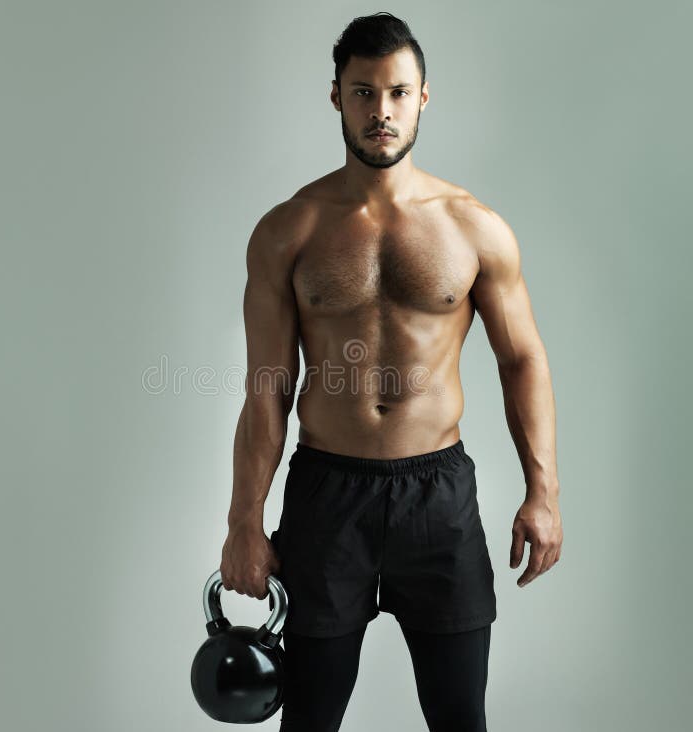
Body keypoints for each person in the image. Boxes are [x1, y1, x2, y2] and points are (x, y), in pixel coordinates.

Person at [220, 12, 563, 732]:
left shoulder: (474, 226)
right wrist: (243, 522)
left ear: (423, 98)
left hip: (436, 496)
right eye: (364, 92)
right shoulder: (290, 230)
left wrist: (544, 492)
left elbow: (522, 358)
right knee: (308, 718)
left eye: (398, 93)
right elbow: (268, 389)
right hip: (325, 499)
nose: (382, 111)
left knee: (459, 717)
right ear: (337, 96)